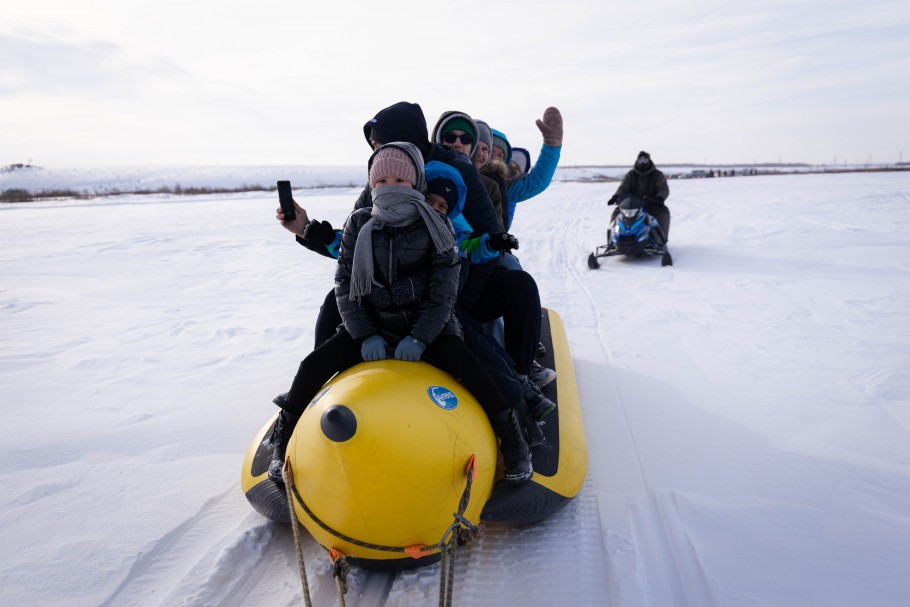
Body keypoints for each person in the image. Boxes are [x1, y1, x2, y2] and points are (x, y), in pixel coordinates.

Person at [266, 143, 533, 485]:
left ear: (417, 184)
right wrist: (365, 334)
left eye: (401, 180)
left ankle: (515, 446)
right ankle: (284, 440)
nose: (390, 186)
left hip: (429, 331)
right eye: (382, 180)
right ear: (371, 185)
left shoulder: (437, 227)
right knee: (312, 366)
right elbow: (346, 287)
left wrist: (421, 337)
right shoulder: (359, 225)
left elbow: (443, 292)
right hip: (375, 326)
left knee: (476, 371)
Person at [608, 151, 671, 240]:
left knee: (663, 213)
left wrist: (660, 198)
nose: (642, 163)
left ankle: (661, 239)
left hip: (651, 203)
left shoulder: (657, 175)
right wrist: (616, 196)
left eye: (645, 160)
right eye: (640, 160)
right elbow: (623, 187)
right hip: (632, 205)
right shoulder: (631, 175)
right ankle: (613, 239)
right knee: (616, 213)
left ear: (649, 161)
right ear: (637, 161)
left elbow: (663, 188)